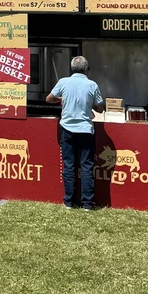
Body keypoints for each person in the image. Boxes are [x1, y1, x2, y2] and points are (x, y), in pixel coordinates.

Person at [47, 55, 104, 210]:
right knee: (87, 166)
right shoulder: (92, 85)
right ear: (86, 69)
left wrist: (61, 99)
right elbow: (100, 108)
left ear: (71, 69)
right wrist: (89, 105)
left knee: (69, 166)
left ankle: (69, 202)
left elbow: (49, 99)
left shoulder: (63, 82)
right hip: (86, 130)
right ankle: (87, 203)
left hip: (67, 130)